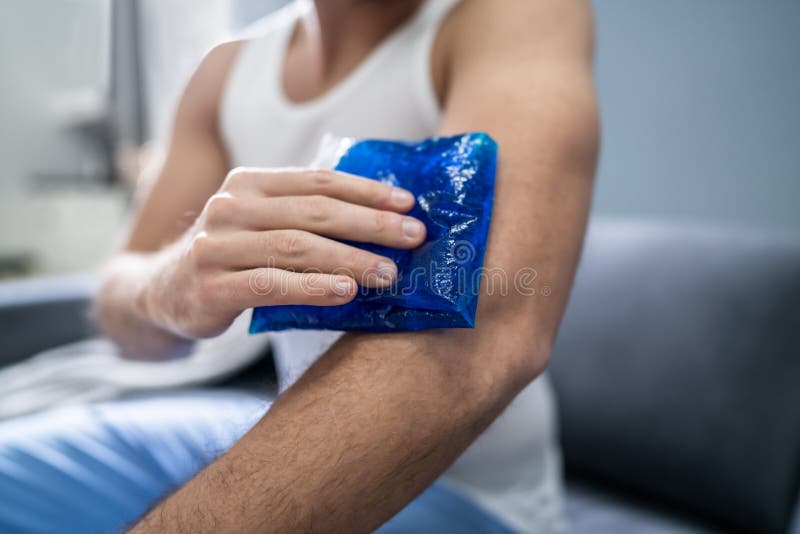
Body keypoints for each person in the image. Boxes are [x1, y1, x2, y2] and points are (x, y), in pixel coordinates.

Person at [0, 0, 598, 531]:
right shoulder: (225, 71)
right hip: (259, 421)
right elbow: (120, 300)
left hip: (468, 493)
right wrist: (164, 285)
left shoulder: (508, 17)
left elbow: (487, 331)